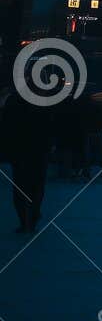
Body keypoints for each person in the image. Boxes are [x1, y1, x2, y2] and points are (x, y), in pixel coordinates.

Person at [1, 90, 72, 235]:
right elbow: (52, 124)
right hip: (38, 150)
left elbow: (6, 127)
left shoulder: (13, 103)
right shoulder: (43, 104)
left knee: (20, 186)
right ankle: (32, 216)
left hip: (20, 150)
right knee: (37, 185)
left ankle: (24, 220)